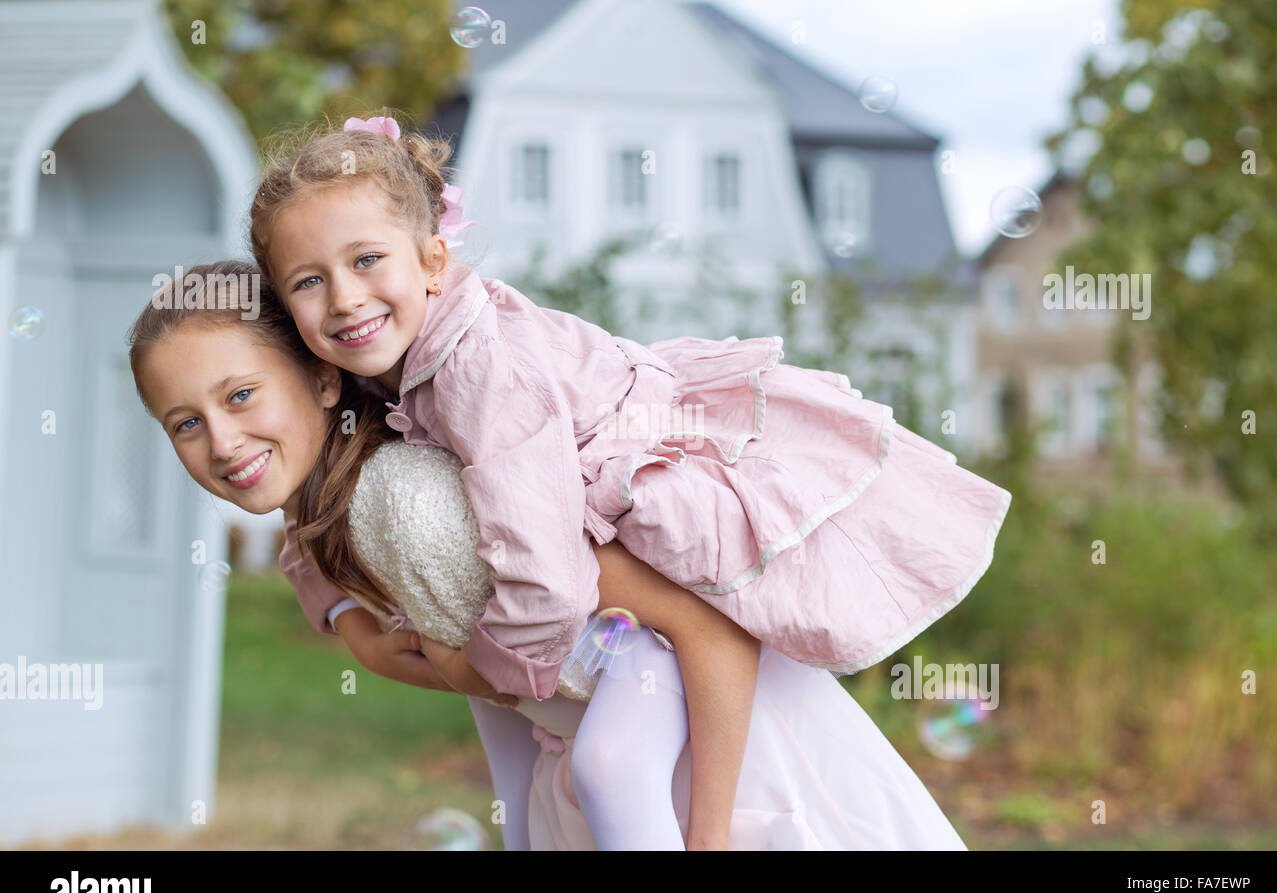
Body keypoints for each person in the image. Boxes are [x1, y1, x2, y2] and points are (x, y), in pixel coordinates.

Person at [248, 113, 1012, 849]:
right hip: (599, 638)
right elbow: (312, 492)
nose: (345, 296)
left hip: (652, 511)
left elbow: (544, 581)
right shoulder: (385, 364)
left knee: (614, 767)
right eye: (309, 281)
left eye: (366, 259)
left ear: (434, 260)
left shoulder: (483, 368)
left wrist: (471, 667)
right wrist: (344, 611)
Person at [127, 261, 970, 850]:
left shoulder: (420, 494)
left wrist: (707, 837)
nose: (222, 439)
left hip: (716, 762)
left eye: (240, 395)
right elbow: (488, 681)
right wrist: (355, 623)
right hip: (601, 769)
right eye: (185, 423)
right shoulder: (344, 519)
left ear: (320, 380)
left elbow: (701, 628)